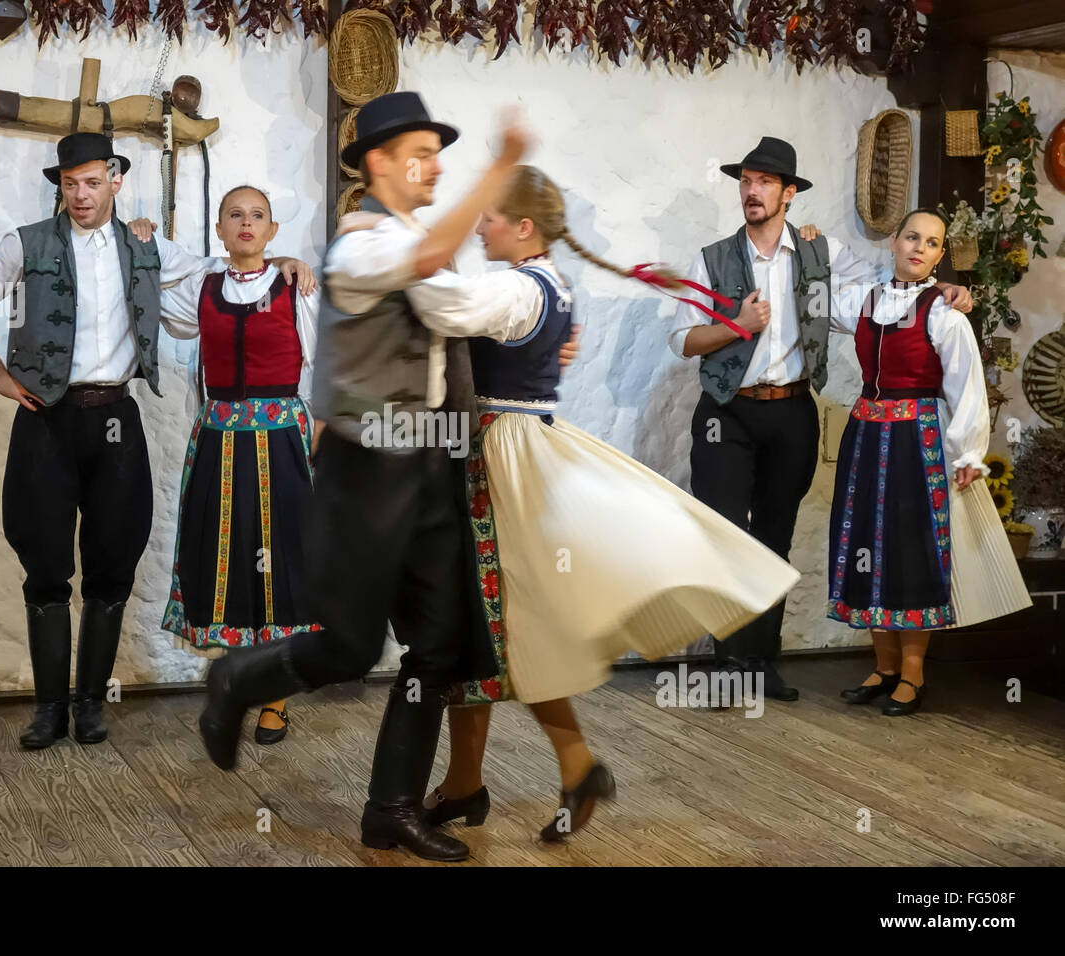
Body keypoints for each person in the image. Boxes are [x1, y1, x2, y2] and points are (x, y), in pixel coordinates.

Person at [389, 165, 800, 841]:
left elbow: (439, 306)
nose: (481, 227)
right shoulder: (550, 281)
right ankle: (485, 779)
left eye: (489, 216)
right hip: (522, 443)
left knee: (493, 624)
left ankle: (552, 770)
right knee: (494, 629)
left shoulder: (514, 285)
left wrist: (390, 244)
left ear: (523, 227)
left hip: (498, 455)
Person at [197, 92, 540, 862]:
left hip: (427, 463)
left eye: (440, 153)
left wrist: (540, 296)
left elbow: (465, 308)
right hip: (366, 467)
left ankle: (390, 809)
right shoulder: (359, 245)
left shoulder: (424, 245)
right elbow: (428, 274)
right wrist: (503, 165)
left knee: (440, 647)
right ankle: (236, 681)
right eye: (422, 152)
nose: (437, 166)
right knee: (349, 650)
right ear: (378, 163)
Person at [0, 132, 309, 749]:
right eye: (70, 183)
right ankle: (48, 709)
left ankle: (90, 706)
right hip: (45, 420)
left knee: (113, 566)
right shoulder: (25, 243)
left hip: (116, 418)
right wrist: (0, 379)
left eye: (93, 181)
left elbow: (228, 270)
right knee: (44, 567)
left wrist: (282, 262)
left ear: (115, 181)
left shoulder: (147, 247)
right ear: (59, 186)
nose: (81, 194)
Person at [669, 136, 973, 702]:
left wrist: (950, 289)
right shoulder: (711, 258)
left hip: (793, 411)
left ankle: (761, 663)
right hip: (726, 415)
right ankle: (729, 665)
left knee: (774, 537)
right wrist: (737, 324)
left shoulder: (820, 252)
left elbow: (893, 289)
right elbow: (683, 340)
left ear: (789, 194)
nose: (751, 191)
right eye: (745, 180)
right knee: (726, 537)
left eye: (763, 182)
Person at [128, 185, 320, 746]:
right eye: (234, 214)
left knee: (280, 557)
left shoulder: (294, 285)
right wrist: (143, 237)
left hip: (283, 438)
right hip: (217, 438)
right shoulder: (205, 287)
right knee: (227, 557)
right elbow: (159, 298)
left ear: (272, 230)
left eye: (257, 215)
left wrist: (321, 439)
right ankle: (238, 682)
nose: (245, 223)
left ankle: (277, 698)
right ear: (219, 229)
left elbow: (321, 362)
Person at [825, 209, 1032, 715]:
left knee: (911, 546)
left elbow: (967, 390)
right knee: (863, 540)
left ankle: (914, 673)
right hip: (866, 433)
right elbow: (811, 283)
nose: (919, 247)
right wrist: (809, 236)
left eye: (932, 243)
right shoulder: (862, 301)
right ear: (894, 243)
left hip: (918, 440)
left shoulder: (945, 315)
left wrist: (968, 454)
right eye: (912, 237)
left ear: (940, 256)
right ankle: (884, 665)